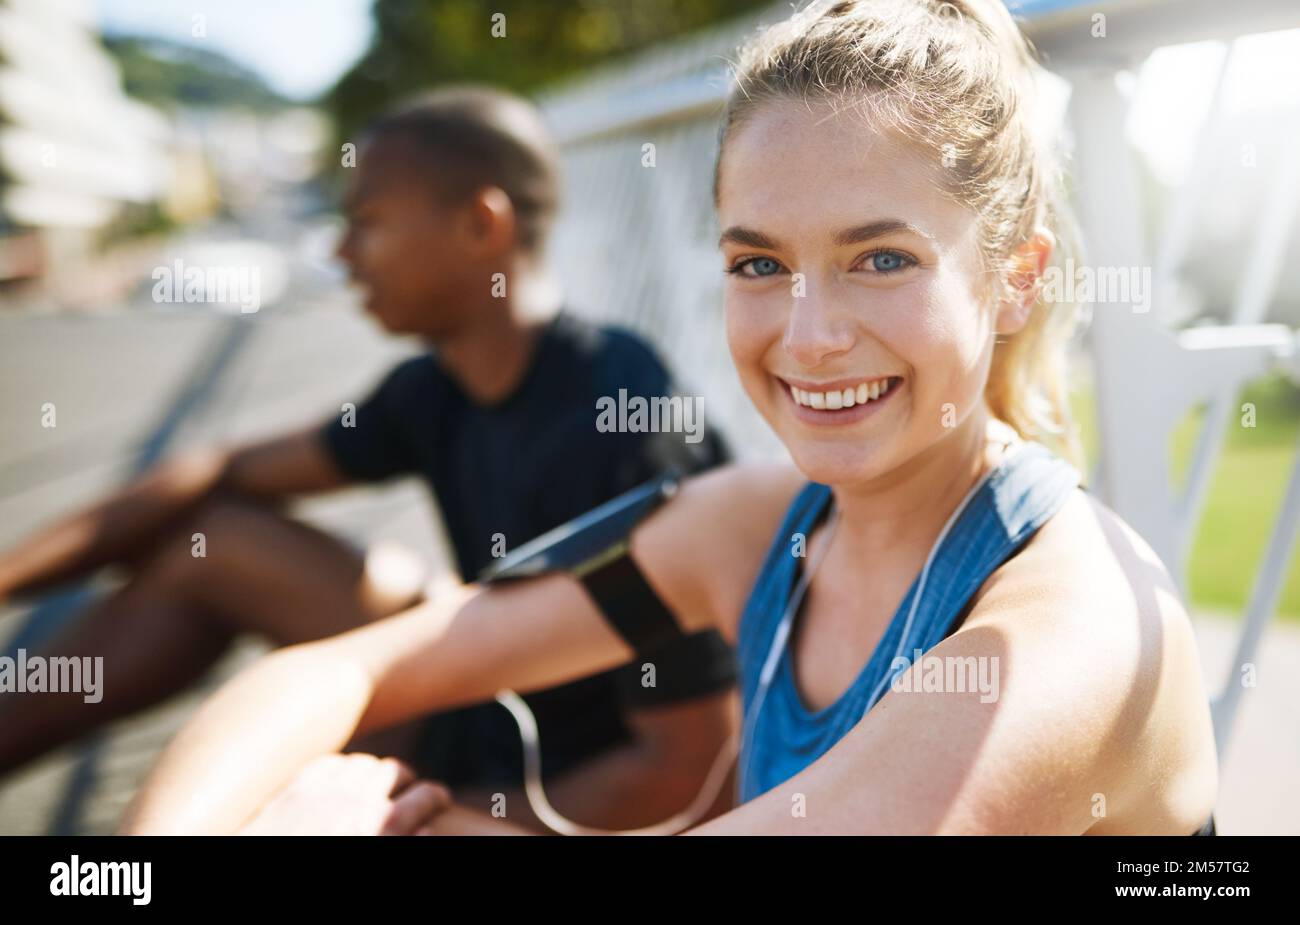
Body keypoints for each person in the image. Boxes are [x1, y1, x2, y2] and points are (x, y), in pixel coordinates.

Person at [119, 0, 1219, 836]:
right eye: (759, 261)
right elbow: (336, 671)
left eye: (880, 259)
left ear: (1015, 278)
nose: (809, 333)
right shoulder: (755, 529)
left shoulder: (1074, 633)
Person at [0, 86, 738, 832]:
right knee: (217, 545)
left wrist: (400, 813)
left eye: (367, 221)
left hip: (553, 785)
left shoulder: (623, 425)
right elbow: (222, 471)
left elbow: (688, 780)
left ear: (481, 223)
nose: (340, 250)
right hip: (488, 699)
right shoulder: (440, 385)